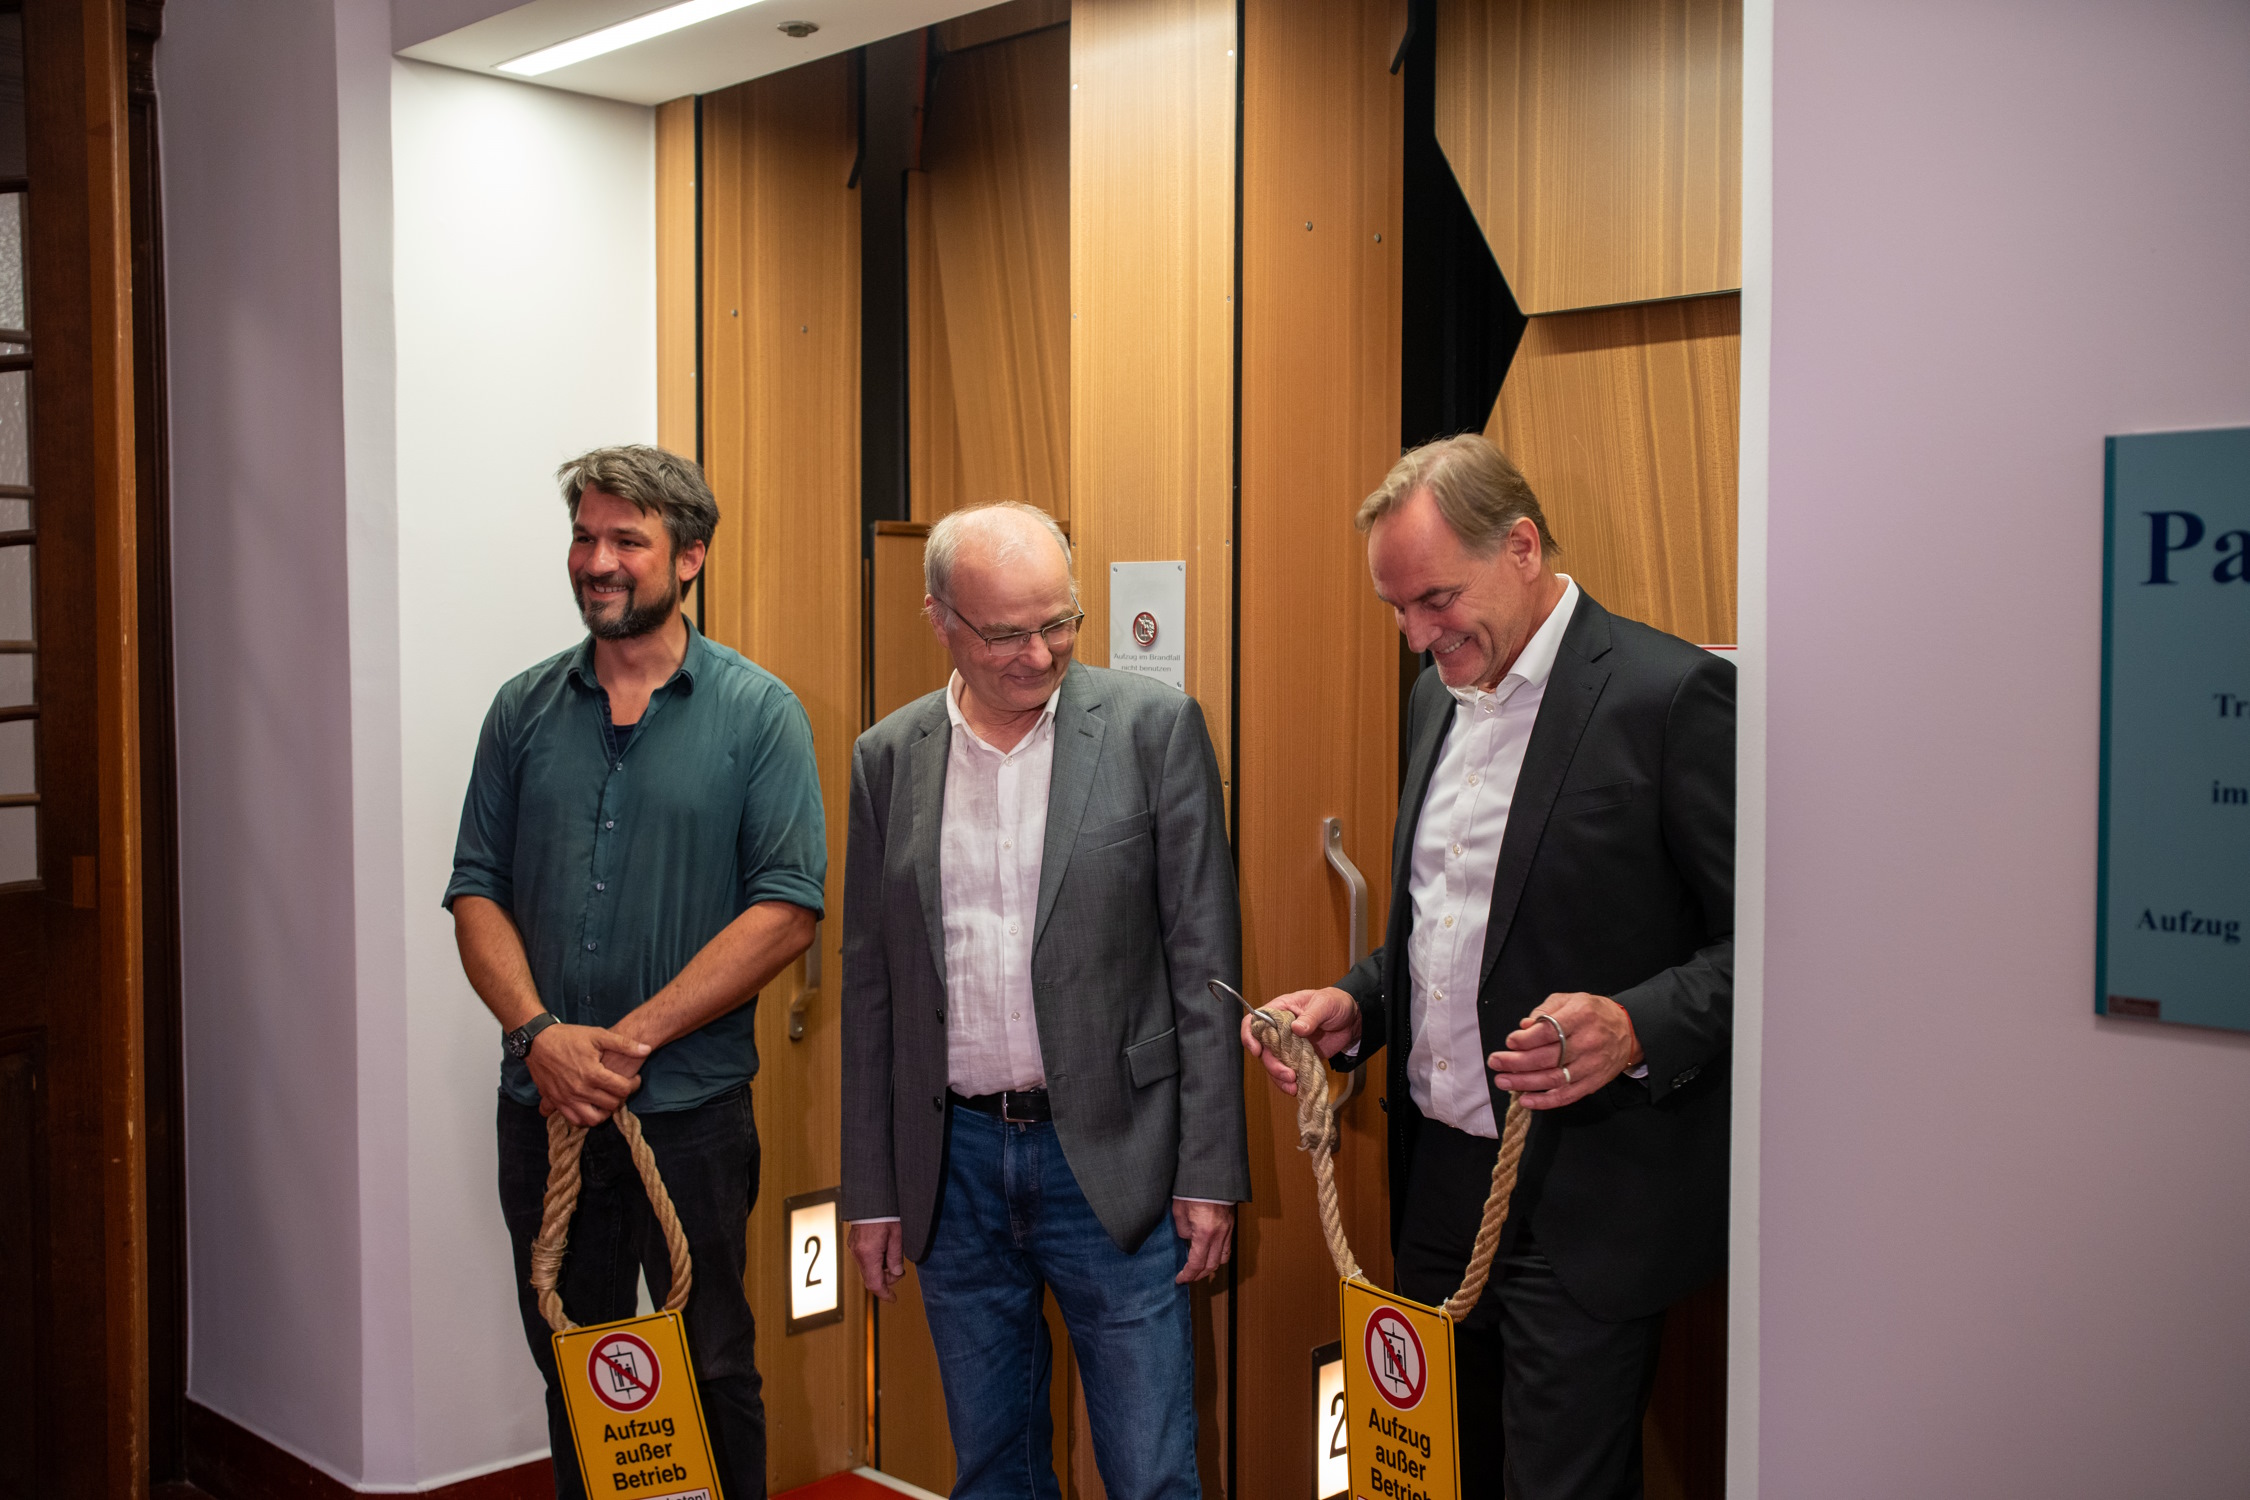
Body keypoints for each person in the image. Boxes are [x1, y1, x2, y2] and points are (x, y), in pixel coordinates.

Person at [1243, 435, 1732, 1500]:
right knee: (1431, 1482)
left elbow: (1773, 948)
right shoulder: (1435, 699)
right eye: (1399, 612)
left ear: (1522, 546)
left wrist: (1640, 1024)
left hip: (1588, 1198)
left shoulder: (1668, 695)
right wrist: (1355, 1003)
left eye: (1435, 600)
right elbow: (1451, 931)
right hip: (1440, 1187)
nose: (1419, 637)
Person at [841, 502, 1248, 1500]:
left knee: (1151, 1471)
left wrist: (1210, 1171)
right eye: (1007, 632)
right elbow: (870, 986)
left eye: (1057, 623)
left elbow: (1206, 963)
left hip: (1114, 1160)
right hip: (955, 1167)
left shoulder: (1155, 729)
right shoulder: (887, 758)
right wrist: (873, 1188)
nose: (1040, 653)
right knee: (993, 1469)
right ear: (939, 617)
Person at [445, 445, 826, 1500]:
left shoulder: (759, 715)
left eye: (626, 540)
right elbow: (475, 891)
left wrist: (628, 1041)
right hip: (544, 1110)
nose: (596, 561)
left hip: (690, 1115)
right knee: (580, 1366)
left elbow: (786, 909)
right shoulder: (522, 712)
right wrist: (540, 1037)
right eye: (584, 537)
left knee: (711, 1366)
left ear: (690, 557)